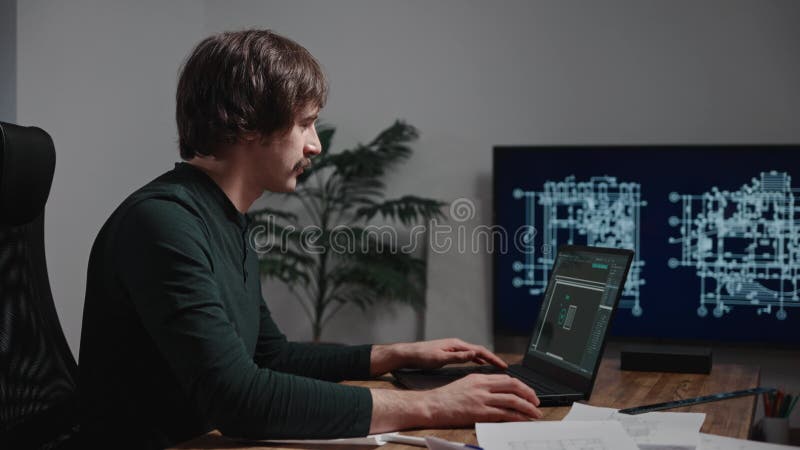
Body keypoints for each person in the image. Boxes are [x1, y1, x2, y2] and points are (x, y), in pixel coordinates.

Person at [78, 29, 541, 449]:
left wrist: (394, 354)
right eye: (305, 123)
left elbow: (270, 356)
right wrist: (432, 406)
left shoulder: (225, 218)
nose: (315, 144)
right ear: (246, 123)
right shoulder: (162, 224)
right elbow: (238, 399)